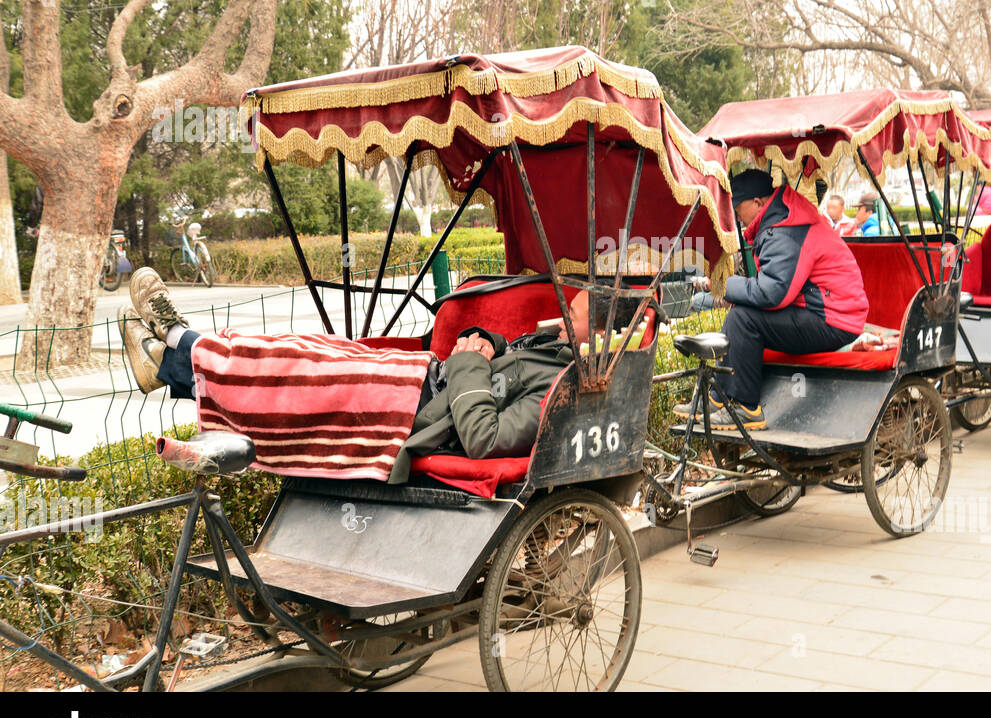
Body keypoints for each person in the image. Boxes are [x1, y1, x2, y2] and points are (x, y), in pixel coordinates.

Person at [117, 268, 641, 482]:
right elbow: (513, 358)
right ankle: (172, 355)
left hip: (413, 415)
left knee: (301, 376)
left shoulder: (564, 386)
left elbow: (484, 439)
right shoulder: (557, 348)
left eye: (569, 316)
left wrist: (468, 362)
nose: (557, 318)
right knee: (308, 347)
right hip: (421, 378)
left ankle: (174, 346)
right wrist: (488, 344)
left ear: (592, 336)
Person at [675, 169, 869, 429]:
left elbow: (772, 293)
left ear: (757, 203)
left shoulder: (786, 230)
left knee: (744, 319)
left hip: (834, 320)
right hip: (818, 311)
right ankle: (718, 399)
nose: (736, 215)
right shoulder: (782, 221)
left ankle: (746, 407)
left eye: (737, 207)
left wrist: (723, 285)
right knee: (742, 315)